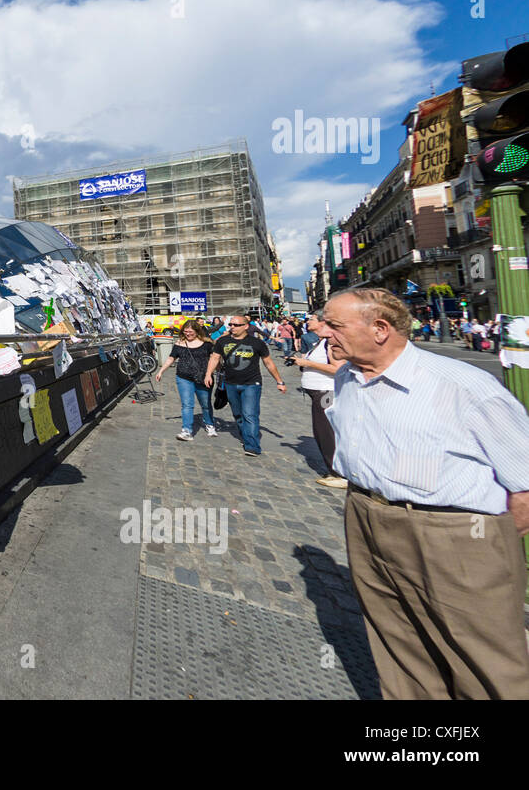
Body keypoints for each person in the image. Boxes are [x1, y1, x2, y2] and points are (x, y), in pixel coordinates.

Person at [322, 287, 529, 699]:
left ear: (380, 329)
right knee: (397, 640)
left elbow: (524, 487)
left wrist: (482, 541)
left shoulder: (463, 385)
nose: (323, 331)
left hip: (453, 533)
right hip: (366, 515)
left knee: (483, 653)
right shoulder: (346, 376)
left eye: (334, 324)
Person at [203, 313, 286, 457]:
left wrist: (279, 381)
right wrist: (208, 374)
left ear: (246, 326)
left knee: (250, 414)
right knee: (238, 414)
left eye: (236, 325)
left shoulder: (257, 343)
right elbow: (215, 358)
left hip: (251, 383)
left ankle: (252, 445)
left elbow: (268, 363)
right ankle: (246, 434)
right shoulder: (223, 342)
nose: (232, 327)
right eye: (231, 325)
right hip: (230, 383)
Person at [290, 311, 347, 488]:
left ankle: (338, 473)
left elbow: (337, 369)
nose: (308, 322)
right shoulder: (320, 342)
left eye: (312, 319)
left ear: (323, 322)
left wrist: (308, 364)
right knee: (322, 430)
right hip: (319, 392)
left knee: (325, 431)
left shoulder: (330, 344)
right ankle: (334, 470)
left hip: (326, 392)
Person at [156, 318, 216, 441]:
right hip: (184, 377)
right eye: (186, 332)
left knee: (205, 404)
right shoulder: (179, 344)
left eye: (190, 332)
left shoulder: (207, 344)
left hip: (203, 378)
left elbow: (214, 360)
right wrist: (161, 371)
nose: (188, 334)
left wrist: (210, 374)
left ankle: (209, 424)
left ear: (197, 331)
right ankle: (187, 430)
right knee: (187, 405)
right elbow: (171, 358)